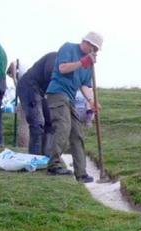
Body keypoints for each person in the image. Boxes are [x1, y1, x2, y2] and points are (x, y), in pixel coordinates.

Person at [45, 32, 103, 183]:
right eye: (93, 48)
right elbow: (62, 68)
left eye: (96, 50)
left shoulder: (88, 65)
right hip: (57, 93)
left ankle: (81, 173)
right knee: (64, 126)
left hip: (70, 98)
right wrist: (82, 62)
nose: (93, 52)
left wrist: (91, 101)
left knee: (77, 134)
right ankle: (54, 165)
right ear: (85, 42)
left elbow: (84, 85)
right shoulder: (68, 48)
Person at [14, 52, 57, 155]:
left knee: (50, 121)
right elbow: (49, 75)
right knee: (37, 122)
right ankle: (35, 157)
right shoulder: (54, 57)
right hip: (29, 86)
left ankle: (47, 156)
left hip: (43, 91)